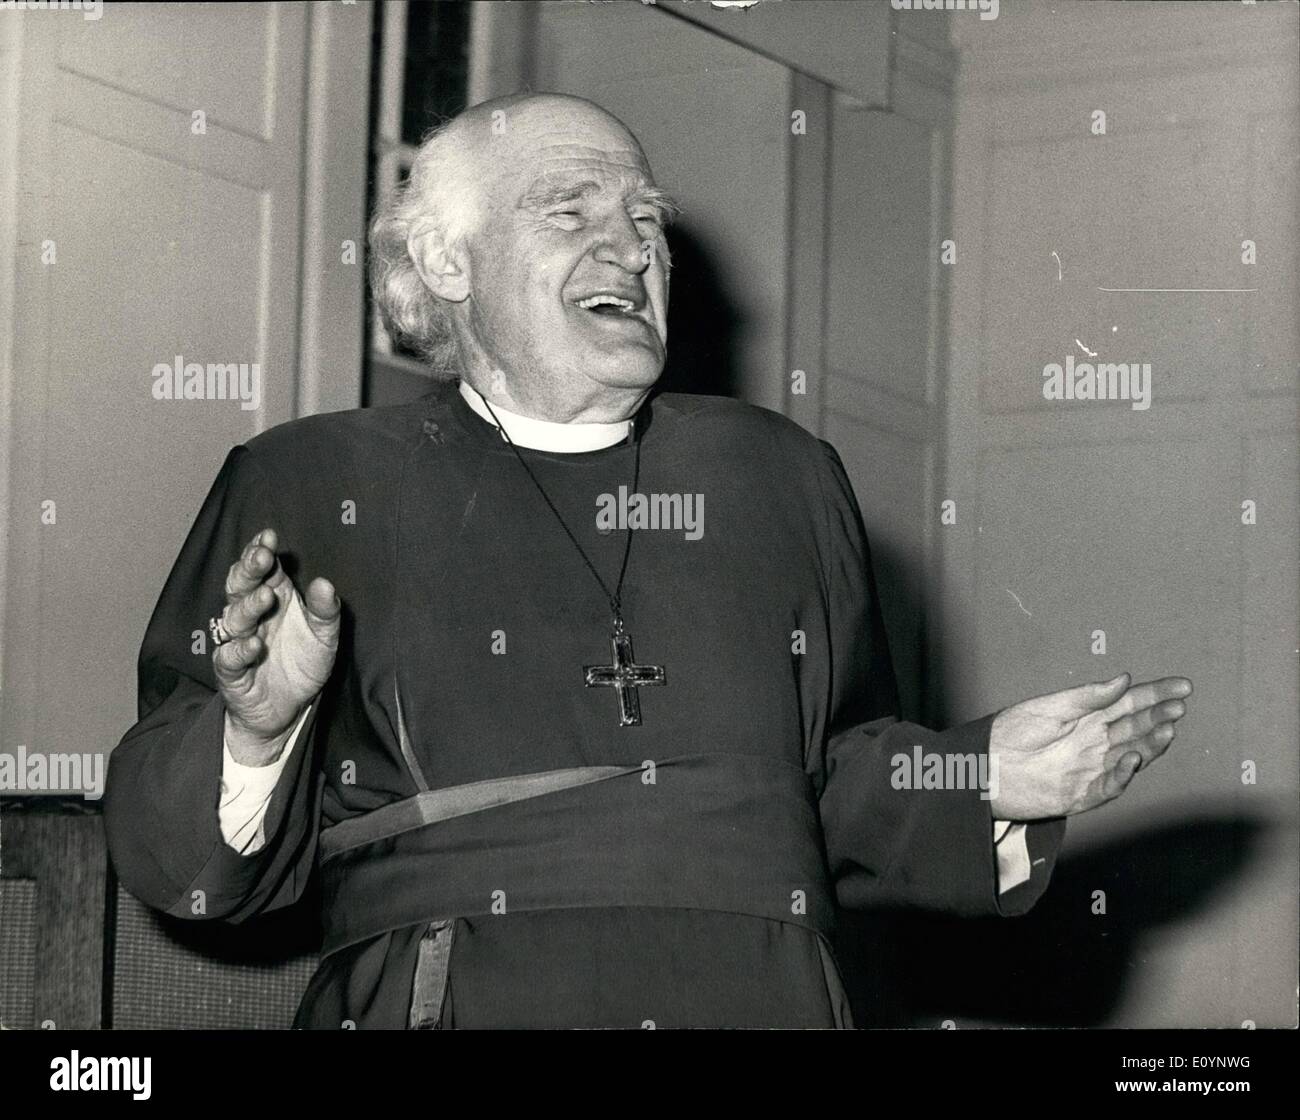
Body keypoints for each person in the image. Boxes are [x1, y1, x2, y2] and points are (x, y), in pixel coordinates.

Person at [105, 93, 1192, 1029]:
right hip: (459, 992)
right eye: (568, 211)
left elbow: (828, 787)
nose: (629, 249)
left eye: (645, 224)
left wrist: (981, 774)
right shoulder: (305, 482)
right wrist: (256, 732)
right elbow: (178, 865)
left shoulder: (780, 475)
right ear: (446, 260)